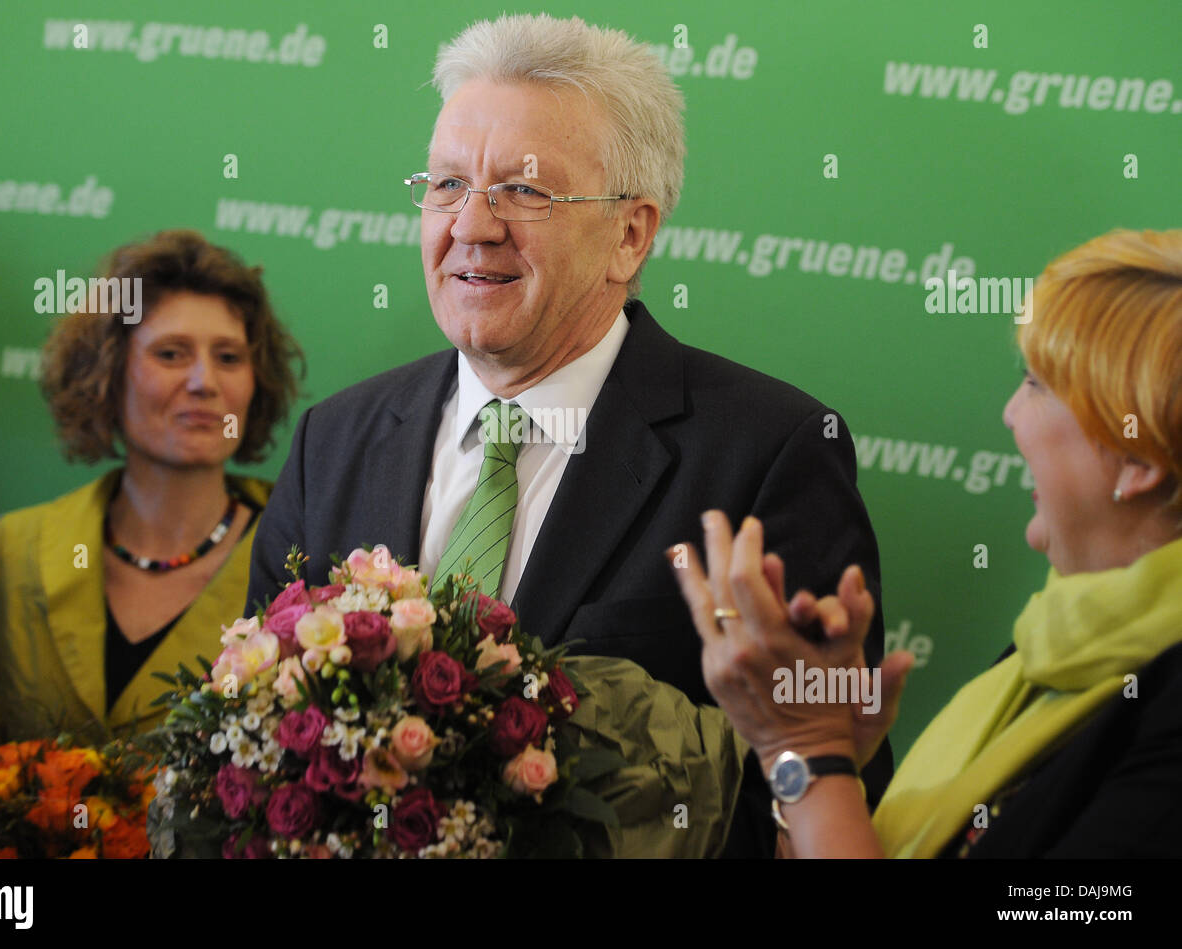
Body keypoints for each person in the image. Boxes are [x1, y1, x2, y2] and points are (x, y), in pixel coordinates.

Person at [245, 14, 891, 857]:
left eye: (525, 190)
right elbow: (254, 742)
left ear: (631, 233)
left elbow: (829, 783)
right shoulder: (333, 441)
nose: (472, 226)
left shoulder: (768, 455)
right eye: (446, 185)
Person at [670, 228, 1182, 857]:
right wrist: (828, 771)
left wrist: (807, 753)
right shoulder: (1050, 654)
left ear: (1138, 460)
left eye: (1039, 385)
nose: (1010, 414)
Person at [0, 229, 304, 782]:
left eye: (228, 357)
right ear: (106, 372)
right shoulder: (12, 553)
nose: (203, 382)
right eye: (171, 353)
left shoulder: (303, 557)